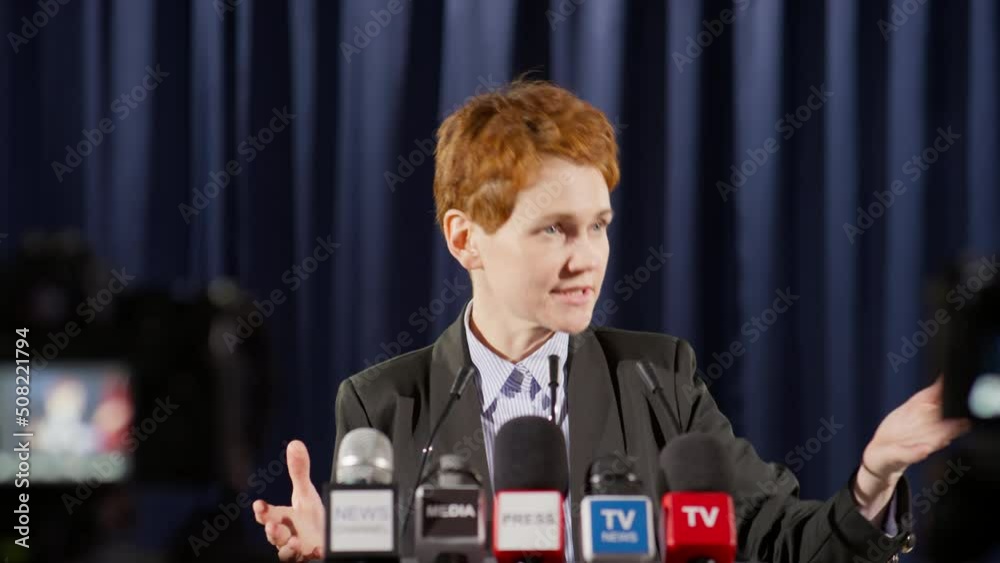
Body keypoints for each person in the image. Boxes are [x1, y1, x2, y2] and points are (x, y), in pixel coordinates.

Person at [252, 79, 970, 562]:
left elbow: (781, 542)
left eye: (598, 226)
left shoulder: (661, 378)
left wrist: (876, 473)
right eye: (554, 230)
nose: (587, 258)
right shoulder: (381, 402)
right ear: (465, 236)